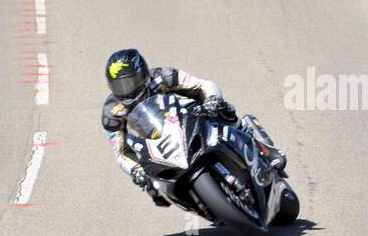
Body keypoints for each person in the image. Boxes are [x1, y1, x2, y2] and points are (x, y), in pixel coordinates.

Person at [101, 49, 286, 206]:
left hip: (187, 117)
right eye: (119, 85)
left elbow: (202, 84)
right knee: (156, 193)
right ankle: (204, 203)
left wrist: (212, 99)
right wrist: (135, 171)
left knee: (224, 111)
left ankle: (263, 147)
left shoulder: (162, 76)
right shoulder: (111, 112)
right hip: (154, 145)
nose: (126, 90)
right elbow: (120, 152)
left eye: (129, 82)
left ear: (142, 74)